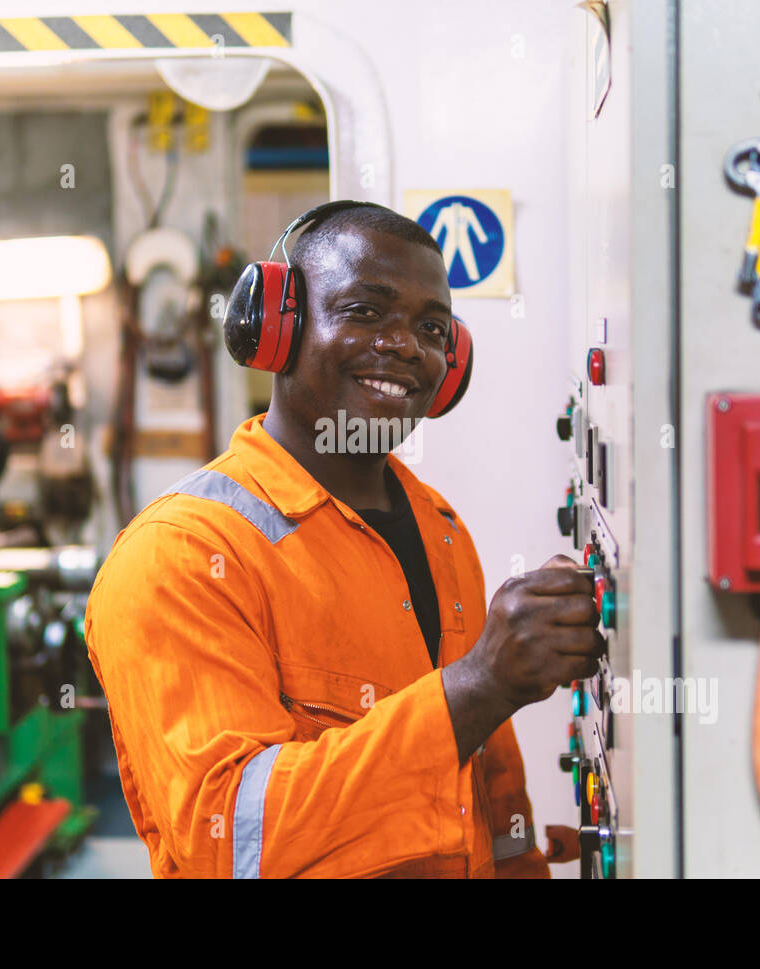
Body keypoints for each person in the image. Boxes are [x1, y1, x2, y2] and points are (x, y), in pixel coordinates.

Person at [85, 201, 606, 877]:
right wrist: (478, 685)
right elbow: (233, 843)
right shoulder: (179, 556)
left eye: (431, 327)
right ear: (276, 328)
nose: (404, 345)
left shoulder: (441, 529)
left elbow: (495, 801)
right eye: (364, 311)